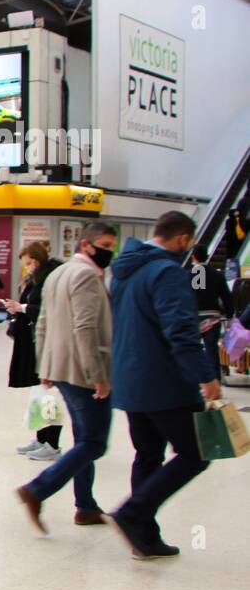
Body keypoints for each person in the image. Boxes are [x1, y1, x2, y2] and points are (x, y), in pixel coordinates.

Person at [109, 211, 221, 559]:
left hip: (129, 378)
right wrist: (205, 376)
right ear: (183, 238)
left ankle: (144, 536)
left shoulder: (124, 270)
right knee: (196, 453)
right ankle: (133, 512)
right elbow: (181, 332)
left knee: (147, 456)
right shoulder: (168, 272)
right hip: (164, 382)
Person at [13, 223, 117, 533]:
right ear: (86, 245)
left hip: (61, 367)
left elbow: (43, 322)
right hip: (82, 371)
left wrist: (44, 365)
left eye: (112, 244)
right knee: (95, 443)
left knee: (85, 439)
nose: (109, 251)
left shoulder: (58, 273)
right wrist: (98, 375)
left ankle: (85, 506)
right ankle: (37, 490)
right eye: (105, 244)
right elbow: (85, 328)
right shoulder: (85, 275)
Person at [3, 242, 64, 462]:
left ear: (37, 260)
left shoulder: (49, 280)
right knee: (38, 395)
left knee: (48, 396)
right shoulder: (36, 280)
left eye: (28, 263)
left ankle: (52, 443)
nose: (27, 267)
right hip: (34, 342)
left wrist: (23, 308)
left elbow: (49, 312)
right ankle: (40, 438)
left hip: (46, 345)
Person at [190, 244, 233, 377]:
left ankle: (196, 381)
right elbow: (226, 297)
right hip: (212, 319)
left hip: (193, 319)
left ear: (193, 257)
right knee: (211, 351)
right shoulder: (217, 275)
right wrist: (229, 313)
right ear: (207, 257)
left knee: (192, 350)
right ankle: (215, 383)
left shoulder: (189, 274)